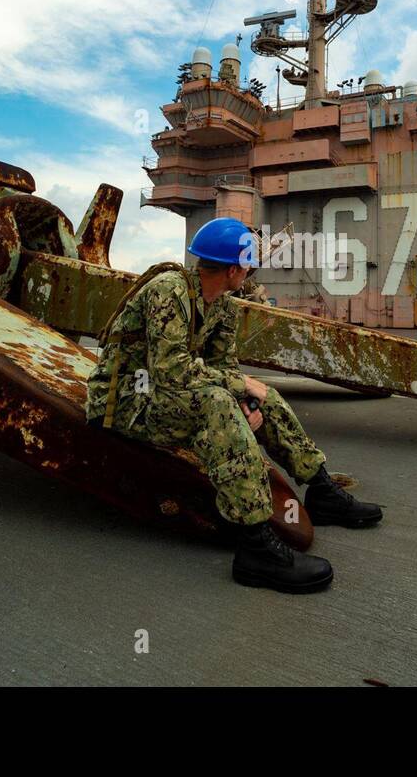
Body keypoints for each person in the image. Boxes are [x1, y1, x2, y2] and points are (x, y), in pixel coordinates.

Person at [85, 217, 382, 593]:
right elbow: (170, 371)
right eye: (248, 264)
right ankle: (255, 546)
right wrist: (236, 389)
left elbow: (221, 365)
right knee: (218, 404)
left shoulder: (222, 303)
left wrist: (246, 396)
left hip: (166, 395)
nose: (251, 271)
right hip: (126, 402)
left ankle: (320, 489)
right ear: (233, 268)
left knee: (263, 396)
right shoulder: (169, 292)